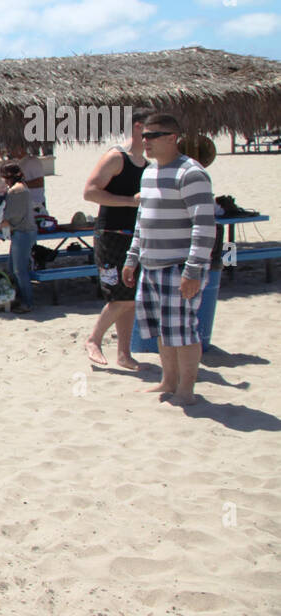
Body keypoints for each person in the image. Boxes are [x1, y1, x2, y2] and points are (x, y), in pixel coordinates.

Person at [122, 113, 215, 406]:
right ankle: (168, 380)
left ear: (173, 138)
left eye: (152, 136)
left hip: (178, 267)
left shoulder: (191, 173)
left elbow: (204, 224)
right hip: (151, 266)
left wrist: (193, 269)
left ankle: (187, 388)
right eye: (143, 135)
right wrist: (132, 257)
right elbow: (142, 219)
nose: (145, 141)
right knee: (164, 330)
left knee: (183, 331)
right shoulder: (149, 172)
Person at [82, 106, 153, 369]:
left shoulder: (146, 164)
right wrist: (128, 202)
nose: (153, 138)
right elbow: (89, 192)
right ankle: (93, 339)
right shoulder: (116, 157)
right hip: (110, 235)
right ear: (138, 127)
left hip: (135, 237)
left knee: (131, 297)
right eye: (151, 130)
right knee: (119, 296)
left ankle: (123, 354)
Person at [0, 163, 36, 313]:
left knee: (19, 270)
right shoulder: (23, 188)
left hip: (22, 232)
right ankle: (20, 298)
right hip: (25, 231)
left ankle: (27, 302)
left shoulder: (16, 191)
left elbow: (8, 216)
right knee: (13, 268)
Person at [11, 144, 47, 215]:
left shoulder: (32, 162)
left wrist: (19, 185)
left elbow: (39, 182)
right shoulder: (21, 162)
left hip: (36, 204)